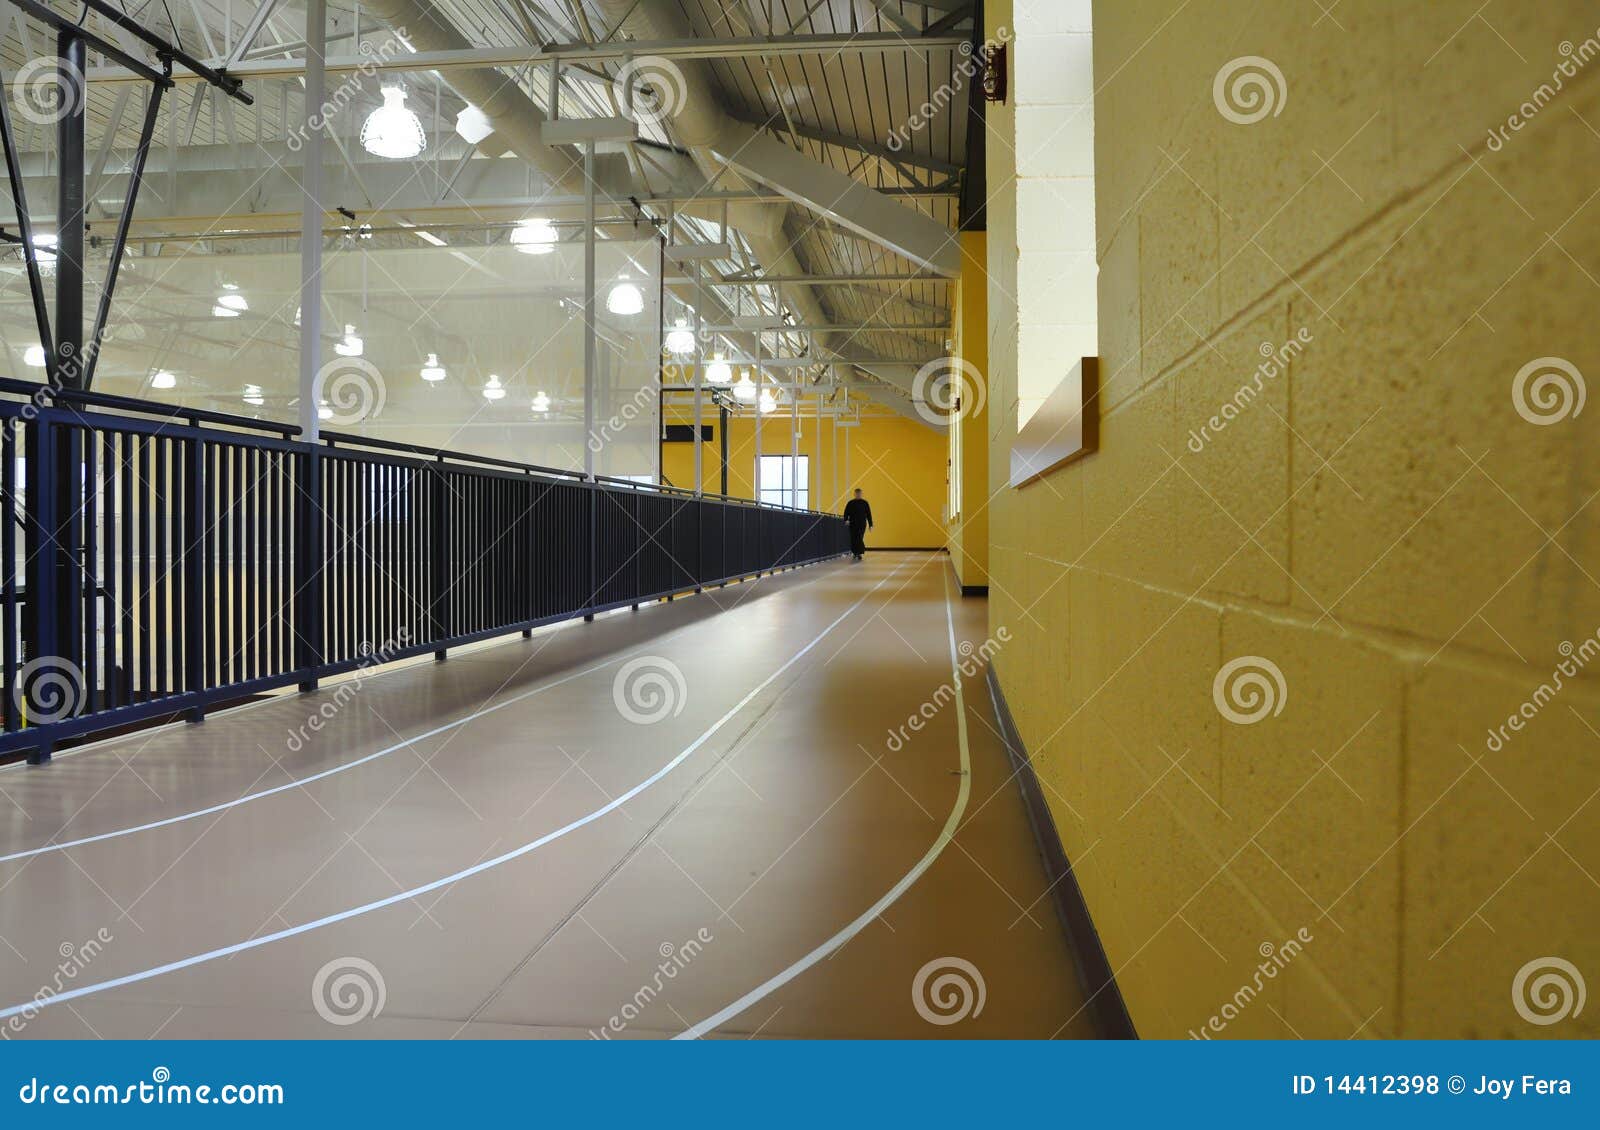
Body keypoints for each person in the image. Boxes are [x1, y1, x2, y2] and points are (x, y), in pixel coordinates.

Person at [842, 488, 873, 561]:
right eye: (857, 494)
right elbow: (846, 512)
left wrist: (870, 524)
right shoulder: (850, 503)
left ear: (861, 494)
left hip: (862, 524)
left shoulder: (865, 503)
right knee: (853, 538)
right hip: (852, 524)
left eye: (860, 494)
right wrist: (846, 520)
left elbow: (869, 514)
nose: (858, 495)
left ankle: (859, 553)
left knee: (859, 537)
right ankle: (855, 552)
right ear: (854, 494)